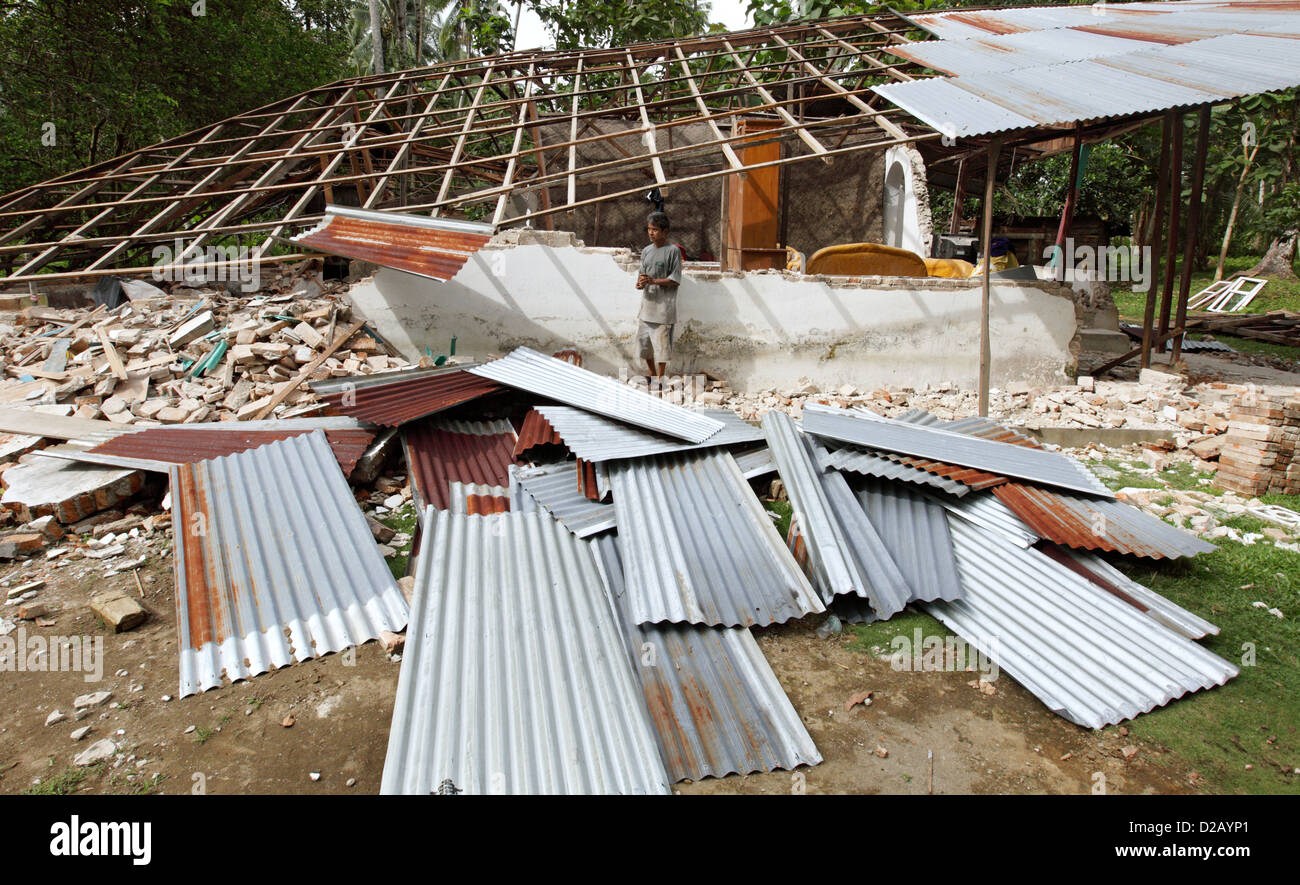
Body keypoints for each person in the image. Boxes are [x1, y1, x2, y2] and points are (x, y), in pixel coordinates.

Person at [635, 211, 682, 378]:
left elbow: (675, 279)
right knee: (644, 346)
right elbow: (642, 275)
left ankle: (660, 381)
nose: (650, 232)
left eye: (654, 229)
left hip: (663, 311)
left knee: (662, 349)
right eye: (649, 229)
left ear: (665, 231)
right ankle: (651, 374)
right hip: (646, 309)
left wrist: (653, 281)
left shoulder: (673, 251)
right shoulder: (646, 251)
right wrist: (640, 283)